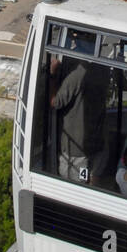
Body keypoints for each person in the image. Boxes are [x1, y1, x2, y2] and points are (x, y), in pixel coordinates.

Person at [49, 55, 108, 183]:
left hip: (77, 150)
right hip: (96, 141)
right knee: (88, 178)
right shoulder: (103, 68)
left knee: (77, 183)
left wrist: (52, 74)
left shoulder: (78, 75)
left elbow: (55, 102)